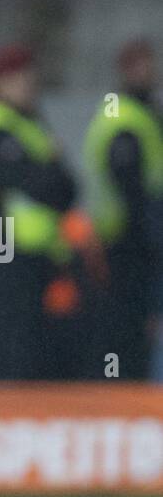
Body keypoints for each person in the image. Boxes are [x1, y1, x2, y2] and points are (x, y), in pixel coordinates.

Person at [0, 44, 82, 380]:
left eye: (29, 77)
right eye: (17, 79)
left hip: (29, 256)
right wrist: (51, 166)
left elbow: (66, 190)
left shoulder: (24, 125)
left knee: (25, 352)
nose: (27, 85)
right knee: (10, 357)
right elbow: (48, 186)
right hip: (5, 254)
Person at [82, 38, 163, 380]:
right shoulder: (124, 118)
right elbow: (131, 187)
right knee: (133, 330)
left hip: (130, 241)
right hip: (126, 243)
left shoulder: (138, 113)